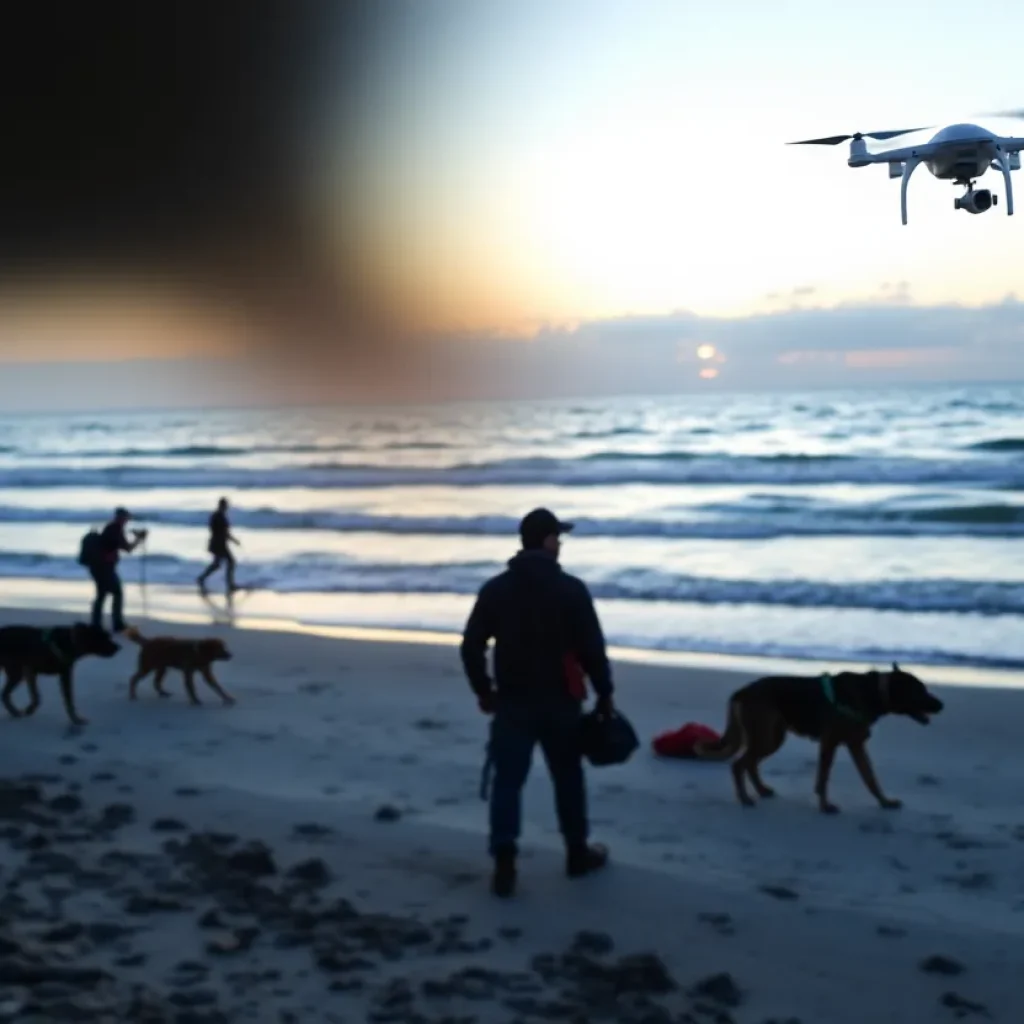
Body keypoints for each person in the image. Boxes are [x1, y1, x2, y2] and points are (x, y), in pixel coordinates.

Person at [460, 507, 615, 898]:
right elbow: (592, 648)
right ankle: (577, 854)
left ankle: (505, 863)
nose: (560, 544)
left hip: (512, 700)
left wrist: (484, 689)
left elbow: (471, 646)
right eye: (557, 537)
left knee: (508, 782)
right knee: (568, 778)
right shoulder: (571, 589)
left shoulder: (496, 589)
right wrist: (605, 692)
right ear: (545, 541)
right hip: (561, 701)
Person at [91, 507, 147, 634]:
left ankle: (97, 624)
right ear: (122, 518)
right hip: (104, 567)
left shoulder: (112, 528)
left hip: (98, 566)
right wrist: (139, 539)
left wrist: (137, 538)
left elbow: (121, 546)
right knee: (116, 593)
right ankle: (117, 623)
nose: (127, 520)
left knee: (102, 594)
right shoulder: (115, 529)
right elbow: (128, 548)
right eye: (126, 518)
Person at [197, 497, 241, 595]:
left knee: (217, 564)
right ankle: (230, 585)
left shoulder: (218, 515)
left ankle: (201, 578)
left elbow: (223, 531)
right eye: (226, 505)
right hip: (219, 544)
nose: (227, 507)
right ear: (222, 505)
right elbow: (221, 531)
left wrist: (233, 540)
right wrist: (233, 540)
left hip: (219, 543)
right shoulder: (218, 516)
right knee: (231, 562)